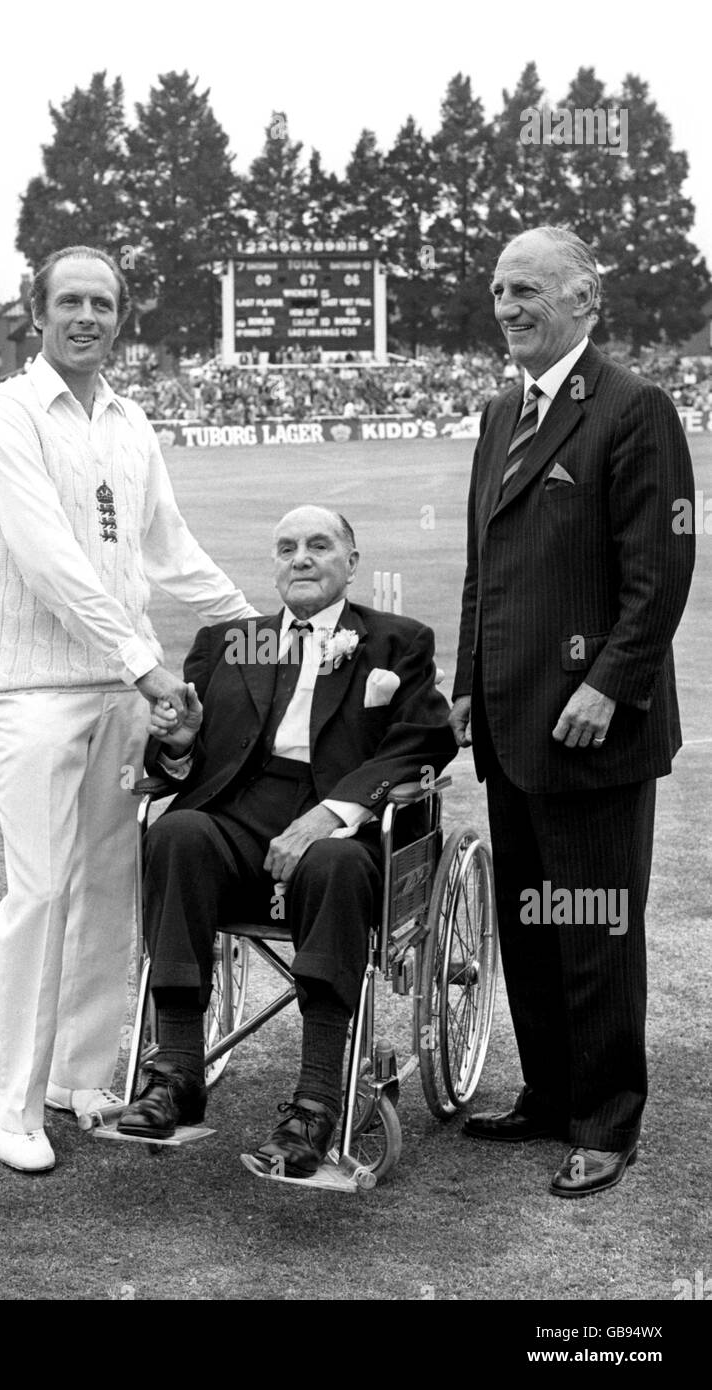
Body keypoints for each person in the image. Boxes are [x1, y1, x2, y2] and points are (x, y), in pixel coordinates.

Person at [0, 245, 255, 1173]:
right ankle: (14, 1105)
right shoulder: (2, 416)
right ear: (35, 312)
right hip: (39, 692)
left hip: (122, 692)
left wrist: (263, 626)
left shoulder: (130, 422)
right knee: (39, 892)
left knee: (111, 889)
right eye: (70, 302)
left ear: (120, 316)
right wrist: (143, 663)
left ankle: (79, 1080)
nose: (87, 317)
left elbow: (168, 551)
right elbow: (49, 561)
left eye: (104, 303)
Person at [449, 226, 695, 1197]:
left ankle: (604, 1121)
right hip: (510, 729)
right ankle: (548, 1094)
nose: (507, 308)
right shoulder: (496, 413)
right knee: (528, 927)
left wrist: (607, 685)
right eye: (498, 292)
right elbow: (484, 568)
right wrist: (468, 681)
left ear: (584, 299)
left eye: (528, 291)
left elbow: (659, 570)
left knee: (593, 934)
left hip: (591, 730)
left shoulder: (633, 410)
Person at [116, 505, 457, 1177]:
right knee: (178, 831)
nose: (300, 558)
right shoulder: (226, 642)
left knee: (330, 863)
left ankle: (315, 1101)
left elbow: (427, 740)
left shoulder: (398, 642)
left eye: (319, 545)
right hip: (238, 820)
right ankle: (177, 1072)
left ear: (351, 563)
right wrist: (179, 747)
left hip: (340, 828)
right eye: (287, 547)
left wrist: (330, 814)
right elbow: (179, 761)